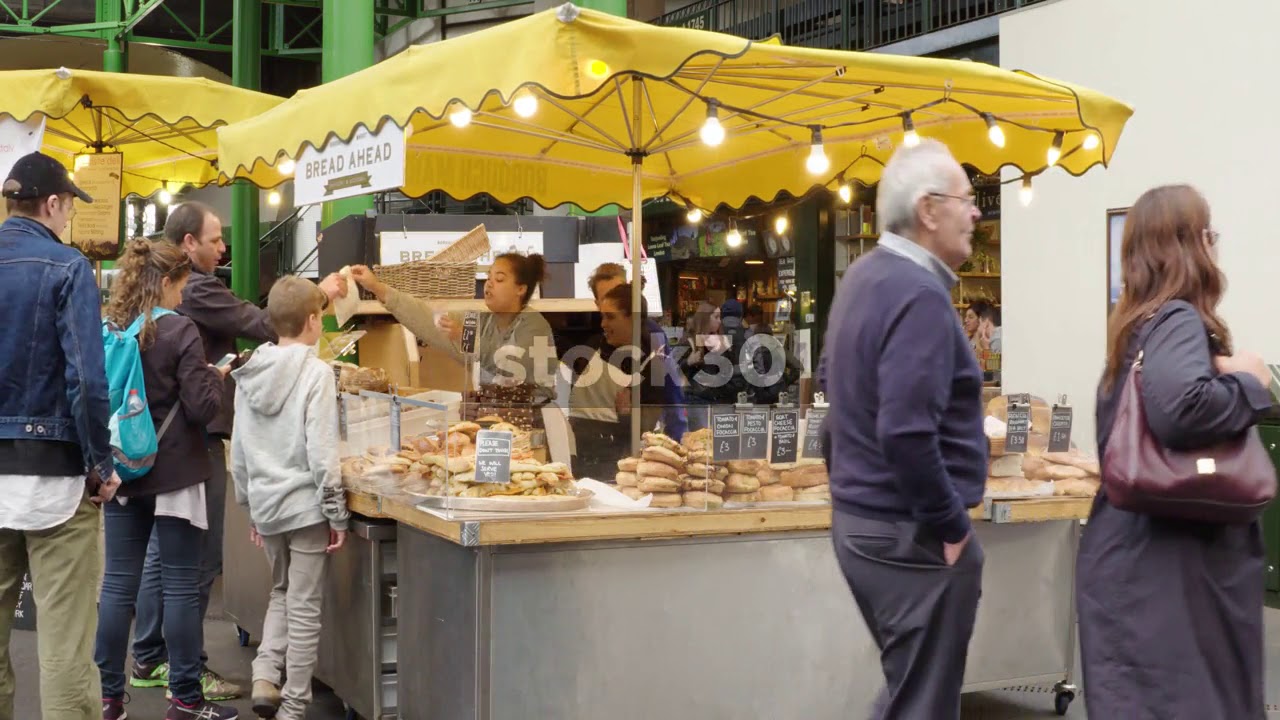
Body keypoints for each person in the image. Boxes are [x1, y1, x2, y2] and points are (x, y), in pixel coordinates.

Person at [131, 201, 345, 699]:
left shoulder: (158, 293)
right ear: (188, 245)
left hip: (162, 438)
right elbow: (261, 321)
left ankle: (150, 657)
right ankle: (189, 672)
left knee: (162, 556)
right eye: (214, 239)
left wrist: (250, 500)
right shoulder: (199, 288)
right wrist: (320, 294)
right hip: (194, 435)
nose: (223, 246)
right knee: (196, 562)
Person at [1078, 185, 1273, 719]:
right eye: (1212, 234)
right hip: (1168, 576)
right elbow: (1181, 408)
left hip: (1136, 564)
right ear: (1196, 244)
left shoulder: (1135, 327)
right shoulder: (1179, 321)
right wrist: (1254, 382)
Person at [818, 139, 985, 719]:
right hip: (907, 533)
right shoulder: (918, 295)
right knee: (924, 703)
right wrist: (951, 523)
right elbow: (907, 433)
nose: (976, 212)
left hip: (867, 523)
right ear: (928, 209)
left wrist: (848, 489)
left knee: (910, 691)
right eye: (968, 199)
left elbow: (833, 396)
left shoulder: (863, 278)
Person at [95, 240, 234, 720]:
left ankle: (109, 698)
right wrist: (216, 377)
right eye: (182, 285)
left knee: (117, 586)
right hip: (176, 473)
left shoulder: (111, 327)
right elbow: (202, 407)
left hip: (122, 471)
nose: (184, 295)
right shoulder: (180, 330)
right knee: (178, 586)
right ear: (170, 281)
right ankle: (185, 700)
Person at [0, 151, 117, 718]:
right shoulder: (68, 267)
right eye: (69, 205)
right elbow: (88, 382)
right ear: (51, 203)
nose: (69, 217)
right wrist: (102, 465)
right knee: (66, 649)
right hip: (56, 478)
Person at [229, 276, 350, 720]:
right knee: (304, 606)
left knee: (280, 592)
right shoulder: (317, 372)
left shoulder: (249, 371)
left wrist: (251, 509)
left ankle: (265, 676)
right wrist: (336, 513)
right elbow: (321, 452)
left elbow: (239, 451)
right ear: (314, 321)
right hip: (306, 507)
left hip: (267, 504)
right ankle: (294, 703)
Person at [350, 253, 557, 403]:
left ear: (521, 289)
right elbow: (426, 320)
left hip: (538, 424)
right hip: (495, 422)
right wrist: (377, 287)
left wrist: (462, 336)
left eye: (499, 279)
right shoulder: (481, 321)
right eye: (489, 278)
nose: (489, 284)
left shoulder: (535, 325)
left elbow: (511, 366)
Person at [569, 283, 687, 479]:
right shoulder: (597, 347)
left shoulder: (652, 363)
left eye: (610, 317)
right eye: (602, 316)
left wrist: (626, 417)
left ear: (633, 318)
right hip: (582, 455)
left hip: (617, 466)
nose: (603, 324)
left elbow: (646, 430)